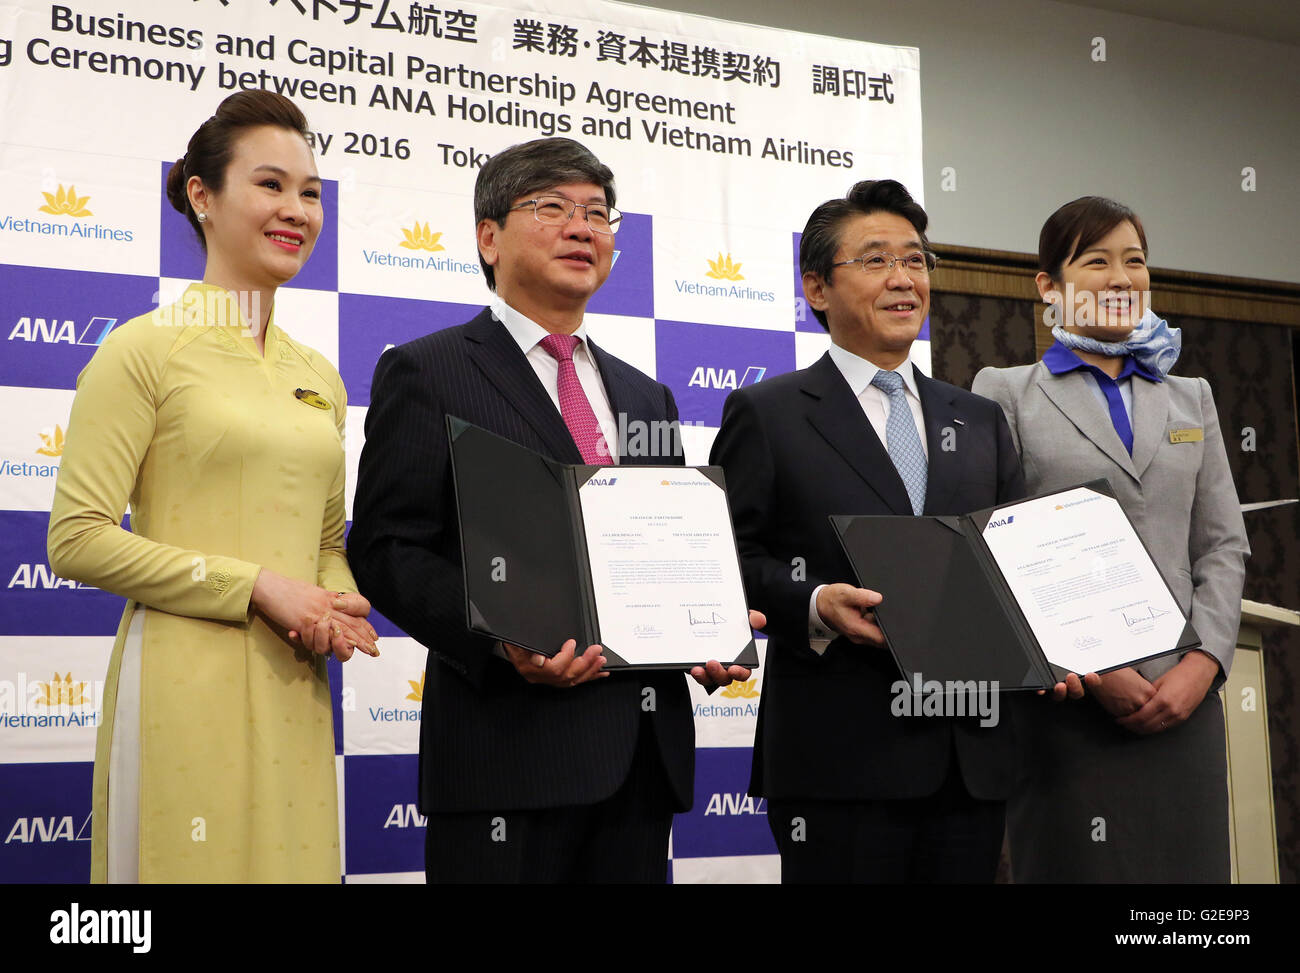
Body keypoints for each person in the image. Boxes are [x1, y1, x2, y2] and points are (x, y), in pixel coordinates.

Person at [347, 137, 753, 884]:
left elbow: (659, 548)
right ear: (488, 236)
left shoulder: (645, 395)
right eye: (552, 208)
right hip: (507, 752)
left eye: (598, 213)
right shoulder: (428, 370)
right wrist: (505, 641)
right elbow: (386, 548)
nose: (583, 227)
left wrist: (707, 625)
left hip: (639, 757)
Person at [47, 90, 378, 884]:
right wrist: (257, 585)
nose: (295, 209)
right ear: (202, 195)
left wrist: (335, 601)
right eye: (270, 185)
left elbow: (326, 540)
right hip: (181, 684)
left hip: (294, 682)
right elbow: (77, 536)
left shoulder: (319, 376)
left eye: (309, 192)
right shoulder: (143, 350)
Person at [709, 179, 1027, 883]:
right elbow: (725, 558)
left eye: (916, 261)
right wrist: (815, 601)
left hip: (969, 758)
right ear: (818, 288)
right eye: (877, 260)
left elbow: (1014, 559)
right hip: (837, 760)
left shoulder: (976, 419)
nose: (903, 279)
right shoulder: (769, 412)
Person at [972, 196, 1249, 882]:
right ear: (1048, 286)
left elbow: (1221, 544)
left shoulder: (1194, 399)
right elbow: (997, 546)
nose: (1122, 276)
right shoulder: (1006, 392)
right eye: (1096, 260)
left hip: (1186, 703)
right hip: (1071, 708)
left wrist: (1205, 661)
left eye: (1136, 260)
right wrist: (1095, 669)